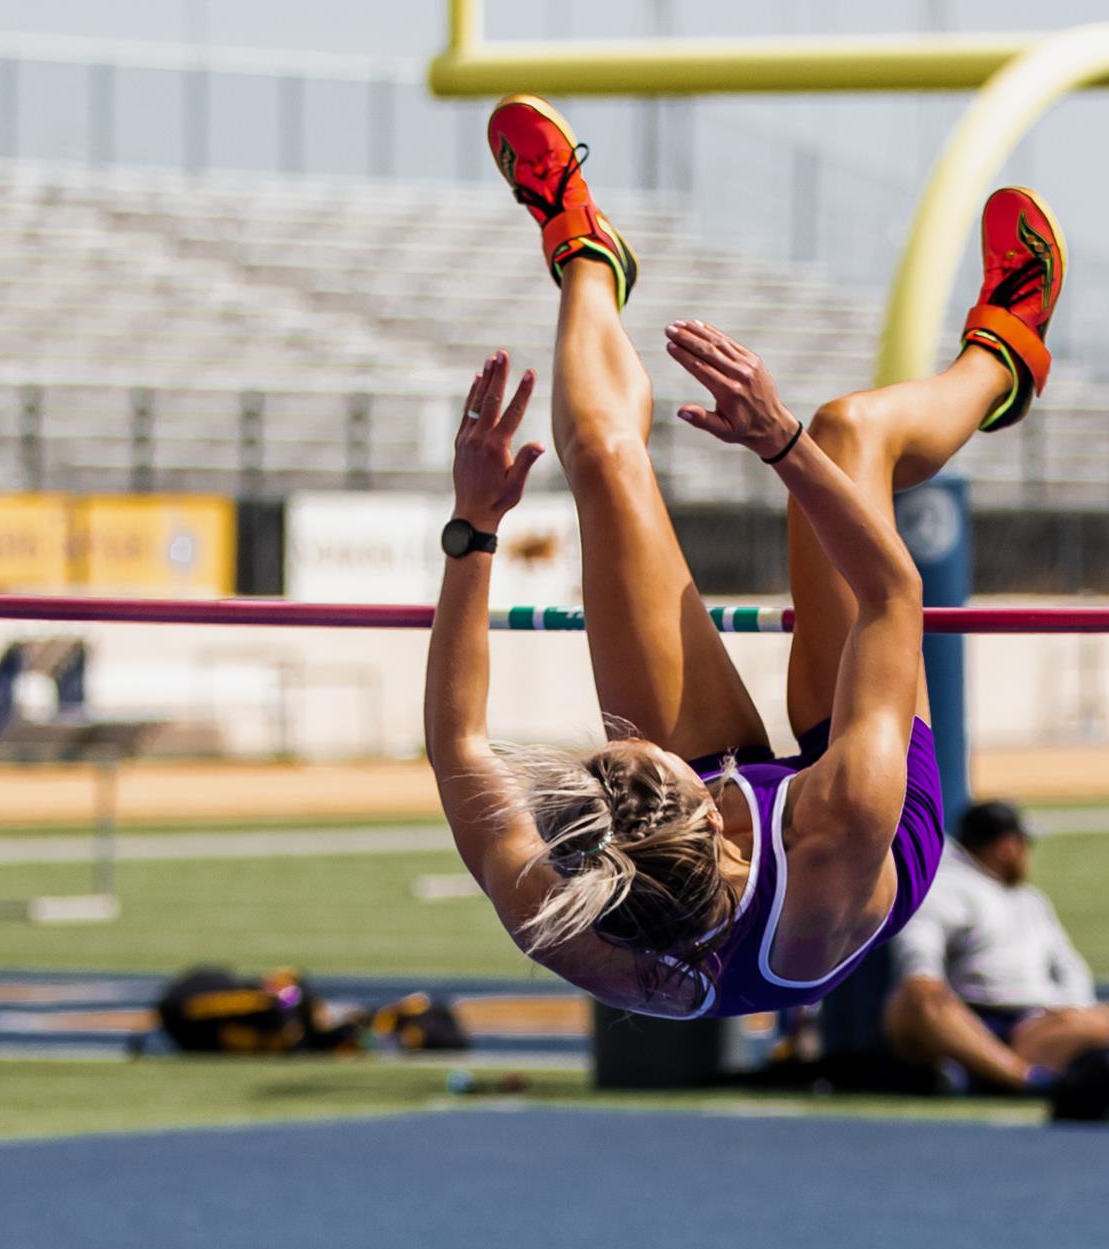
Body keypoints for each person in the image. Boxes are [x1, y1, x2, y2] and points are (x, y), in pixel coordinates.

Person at [423, 94, 1067, 1018]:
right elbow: (893, 593)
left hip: (700, 870)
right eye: (651, 763)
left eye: (623, 757)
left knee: (605, 463)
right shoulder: (837, 827)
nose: (631, 748)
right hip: (860, 840)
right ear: (708, 815)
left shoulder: (554, 909)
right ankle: (1006, 356)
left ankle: (584, 250)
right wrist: (781, 442)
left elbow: (456, 744)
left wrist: (474, 526)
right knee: (850, 433)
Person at [883, 799, 1109, 1093]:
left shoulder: (1031, 900)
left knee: (1099, 1023)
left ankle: (981, 1072)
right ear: (1006, 847)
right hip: (967, 1018)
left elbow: (1069, 966)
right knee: (915, 1002)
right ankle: (1023, 1078)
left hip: (1032, 1025)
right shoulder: (946, 887)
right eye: (1024, 844)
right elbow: (920, 951)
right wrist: (926, 983)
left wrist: (1073, 1007)